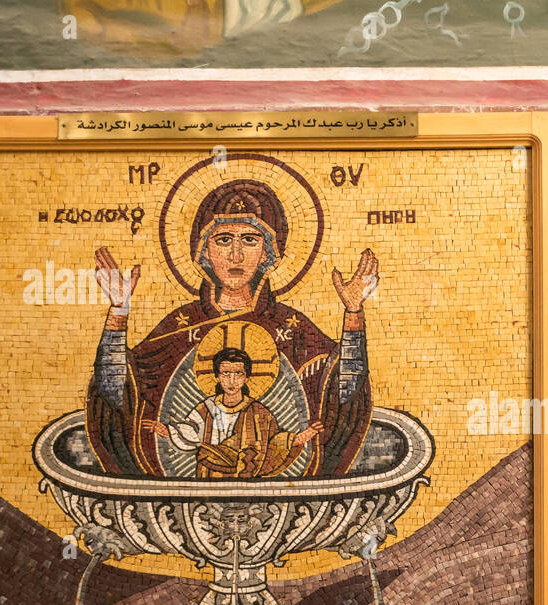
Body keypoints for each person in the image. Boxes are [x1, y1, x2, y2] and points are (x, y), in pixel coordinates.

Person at [86, 177, 374, 478]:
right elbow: (116, 392)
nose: (235, 255)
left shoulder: (295, 328)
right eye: (223, 239)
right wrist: (119, 311)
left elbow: (343, 395)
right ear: (205, 251)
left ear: (268, 253)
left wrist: (353, 314)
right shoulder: (178, 326)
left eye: (250, 240)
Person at [143, 347, 322, 478]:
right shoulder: (207, 408)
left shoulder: (258, 412)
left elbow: (275, 444)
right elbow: (189, 432)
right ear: (217, 376)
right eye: (226, 373)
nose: (232, 380)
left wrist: (303, 436)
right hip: (209, 476)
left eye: (238, 374)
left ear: (246, 378)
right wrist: (167, 431)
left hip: (245, 479)